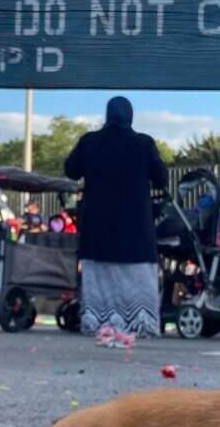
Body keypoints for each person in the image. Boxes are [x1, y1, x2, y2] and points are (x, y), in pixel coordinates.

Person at [63, 96, 169, 338]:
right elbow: (162, 178)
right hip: (136, 230)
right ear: (130, 117)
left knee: (99, 274)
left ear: (107, 116)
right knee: (137, 275)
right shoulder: (144, 144)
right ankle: (140, 323)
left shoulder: (89, 142)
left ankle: (97, 322)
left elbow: (70, 170)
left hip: (97, 227)